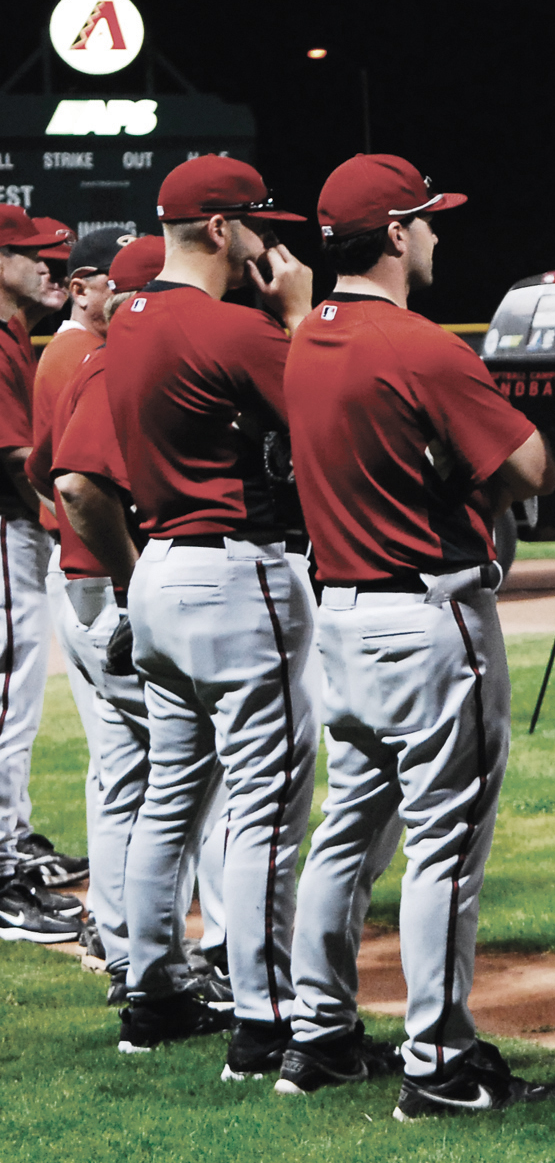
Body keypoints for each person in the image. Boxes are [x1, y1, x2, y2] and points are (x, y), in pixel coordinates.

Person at [278, 154, 555, 1115]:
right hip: (426, 614)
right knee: (444, 844)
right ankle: (438, 1063)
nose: (437, 234)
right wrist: (461, 475)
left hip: (340, 618)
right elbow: (531, 467)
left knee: (348, 828)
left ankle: (315, 1035)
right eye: (427, 221)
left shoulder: (303, 336)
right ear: (394, 233)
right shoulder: (422, 345)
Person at [109, 155, 319, 1070]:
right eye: (255, 226)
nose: (265, 243)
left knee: (172, 798)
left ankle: (149, 998)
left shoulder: (128, 318)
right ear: (223, 229)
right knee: (264, 805)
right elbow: (332, 410)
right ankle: (265, 1021)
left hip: (156, 569)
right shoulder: (228, 327)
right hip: (233, 574)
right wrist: (303, 315)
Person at [44, 237, 176, 981]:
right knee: (181, 775)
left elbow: (41, 469)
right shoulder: (92, 359)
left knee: (122, 772)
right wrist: (129, 579)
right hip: (106, 589)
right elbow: (65, 483)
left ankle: (117, 932)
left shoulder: (75, 357)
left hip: (82, 583)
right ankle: (161, 960)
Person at [0, 205, 81, 913]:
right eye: (34, 255)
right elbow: (13, 465)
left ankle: (13, 837)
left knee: (18, 700)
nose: (49, 265)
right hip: (2, 534)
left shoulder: (16, 337)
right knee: (7, 704)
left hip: (14, 534)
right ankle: (1, 868)